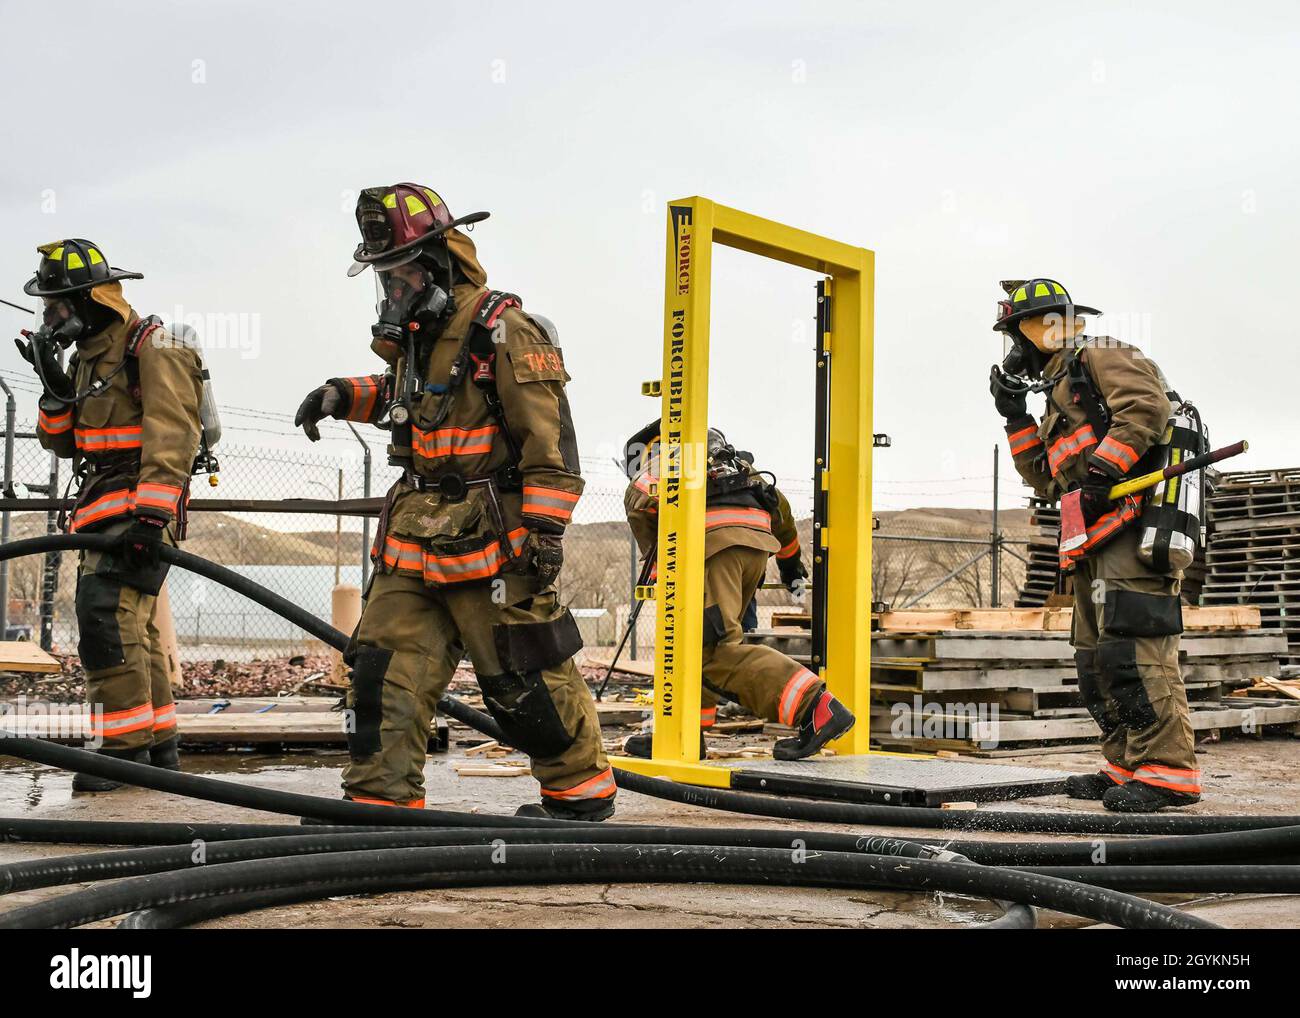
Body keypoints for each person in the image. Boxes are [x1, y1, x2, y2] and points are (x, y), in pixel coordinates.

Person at [295, 183, 613, 820]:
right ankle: (380, 804)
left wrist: (544, 531)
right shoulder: (417, 336)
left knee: (525, 675)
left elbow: (550, 438)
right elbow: (407, 397)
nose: (390, 289)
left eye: (399, 273)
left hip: (492, 541)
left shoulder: (503, 329)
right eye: (382, 277)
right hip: (413, 538)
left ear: (437, 262)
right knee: (383, 671)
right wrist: (341, 394)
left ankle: (579, 794)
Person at [991, 278, 1199, 812]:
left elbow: (1145, 409)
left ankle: (1169, 772)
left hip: (1132, 523)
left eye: (1022, 329)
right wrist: (1016, 417)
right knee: (1097, 659)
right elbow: (1046, 480)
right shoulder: (1060, 390)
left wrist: (1108, 468)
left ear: (1057, 322)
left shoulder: (1102, 355)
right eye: (1016, 331)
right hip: (1091, 536)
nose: (1018, 343)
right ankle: (1126, 763)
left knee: (1135, 649)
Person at [22, 239, 203, 790]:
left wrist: (151, 520)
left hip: (141, 505)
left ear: (91, 299)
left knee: (105, 615)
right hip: (102, 508)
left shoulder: (152, 345)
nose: (50, 317)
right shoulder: (85, 360)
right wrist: (52, 383)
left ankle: (122, 754)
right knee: (135, 628)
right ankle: (158, 748)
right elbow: (62, 444)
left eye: (58, 306)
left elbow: (175, 436)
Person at [621, 420, 854, 759]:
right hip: (754, 552)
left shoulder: (669, 456)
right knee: (697, 646)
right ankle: (686, 732)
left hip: (714, 551)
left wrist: (663, 568)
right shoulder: (739, 466)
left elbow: (638, 499)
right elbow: (782, 513)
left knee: (715, 651)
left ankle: (816, 708)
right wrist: (790, 567)